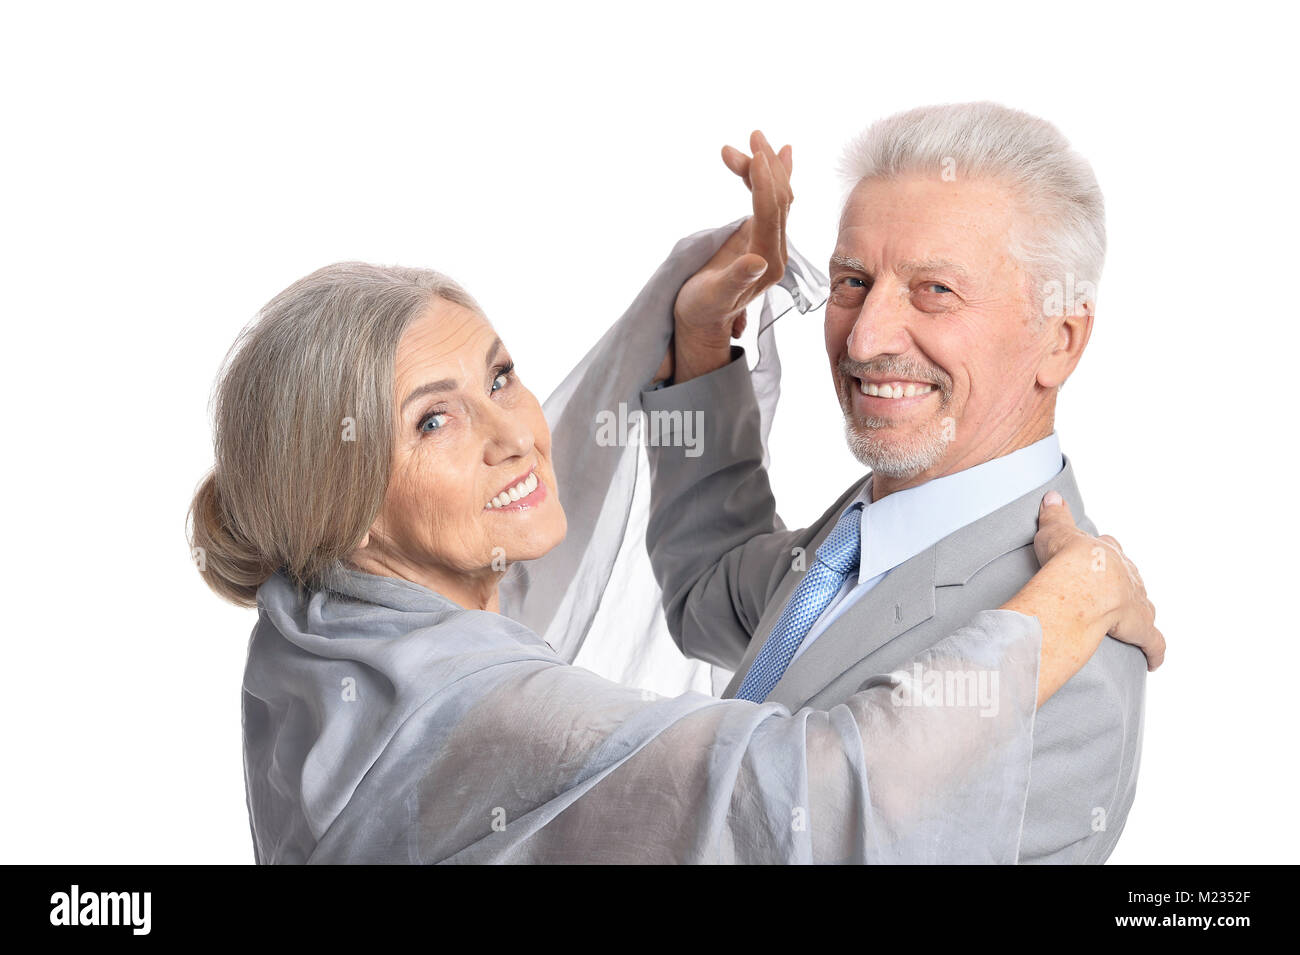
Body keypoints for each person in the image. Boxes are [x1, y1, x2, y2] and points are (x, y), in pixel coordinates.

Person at [187, 134, 1162, 863]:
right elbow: (795, 798)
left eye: (501, 375)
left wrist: (700, 354)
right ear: (343, 495)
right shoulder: (477, 708)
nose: (863, 340)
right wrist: (1056, 615)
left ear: (1060, 341)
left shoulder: (321, 625)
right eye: (432, 422)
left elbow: (706, 596)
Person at [645, 105, 1157, 864]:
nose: (863, 337)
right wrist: (699, 330)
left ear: (1060, 339)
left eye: (935, 290)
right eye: (853, 280)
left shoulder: (1074, 679)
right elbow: (708, 588)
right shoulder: (857, 536)